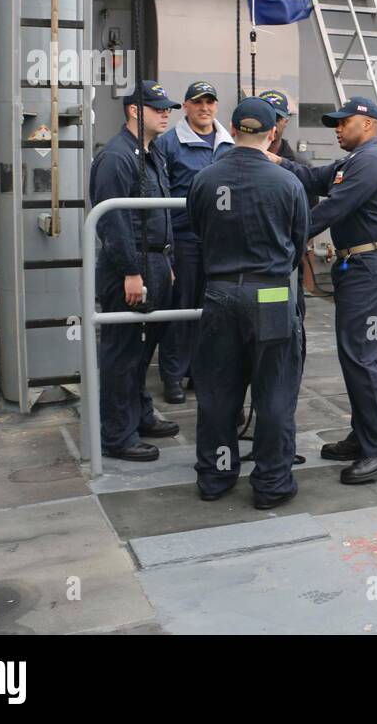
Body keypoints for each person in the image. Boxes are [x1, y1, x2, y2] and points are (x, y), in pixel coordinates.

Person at [271, 95, 377, 484]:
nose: (336, 127)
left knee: (362, 358)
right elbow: (318, 179)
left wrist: (282, 237)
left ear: (367, 125)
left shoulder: (369, 161)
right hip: (358, 266)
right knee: (355, 356)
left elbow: (332, 208)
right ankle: (366, 434)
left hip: (371, 268)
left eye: (343, 121)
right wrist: (277, 161)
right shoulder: (354, 160)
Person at [187, 97, 308, 507]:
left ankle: (216, 478)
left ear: (232, 129)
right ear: (273, 132)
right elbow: (297, 242)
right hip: (272, 289)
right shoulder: (288, 183)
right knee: (274, 391)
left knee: (218, 391)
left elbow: (198, 230)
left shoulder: (205, 180)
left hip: (220, 291)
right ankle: (272, 483)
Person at [88, 81, 182, 462]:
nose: (165, 114)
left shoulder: (152, 153)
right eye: (158, 108)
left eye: (167, 108)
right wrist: (130, 271)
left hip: (156, 261)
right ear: (133, 110)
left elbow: (161, 210)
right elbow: (113, 220)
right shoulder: (116, 157)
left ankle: (139, 415)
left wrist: (168, 261)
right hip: (130, 266)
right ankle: (117, 434)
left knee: (144, 351)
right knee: (122, 352)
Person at [153, 81, 234, 404]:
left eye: (210, 102)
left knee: (211, 310)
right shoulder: (169, 144)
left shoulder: (229, 143)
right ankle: (173, 374)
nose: (205, 108)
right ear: (185, 106)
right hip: (184, 238)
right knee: (181, 308)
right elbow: (160, 194)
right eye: (198, 102)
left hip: (219, 239)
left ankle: (199, 372)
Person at [258, 89, 300, 164]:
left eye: (277, 118)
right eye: (266, 117)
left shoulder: (299, 164)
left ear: (286, 122)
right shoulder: (242, 161)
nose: (272, 124)